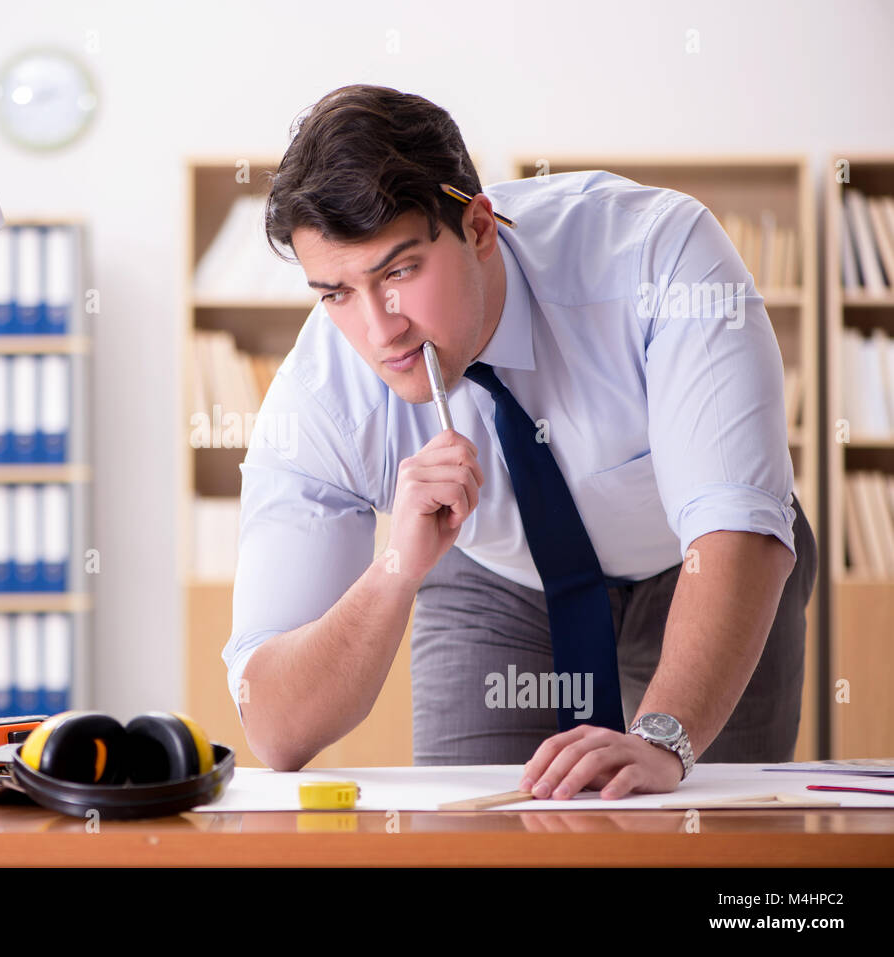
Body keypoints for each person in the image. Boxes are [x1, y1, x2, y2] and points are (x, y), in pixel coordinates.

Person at [220, 84, 816, 800]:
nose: (380, 331)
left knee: (705, 824)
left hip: (701, 564)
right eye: (337, 292)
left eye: (400, 271)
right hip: (496, 579)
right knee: (476, 834)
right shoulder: (323, 395)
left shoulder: (660, 256)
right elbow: (276, 727)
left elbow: (734, 524)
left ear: (478, 228)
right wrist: (394, 570)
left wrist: (665, 738)